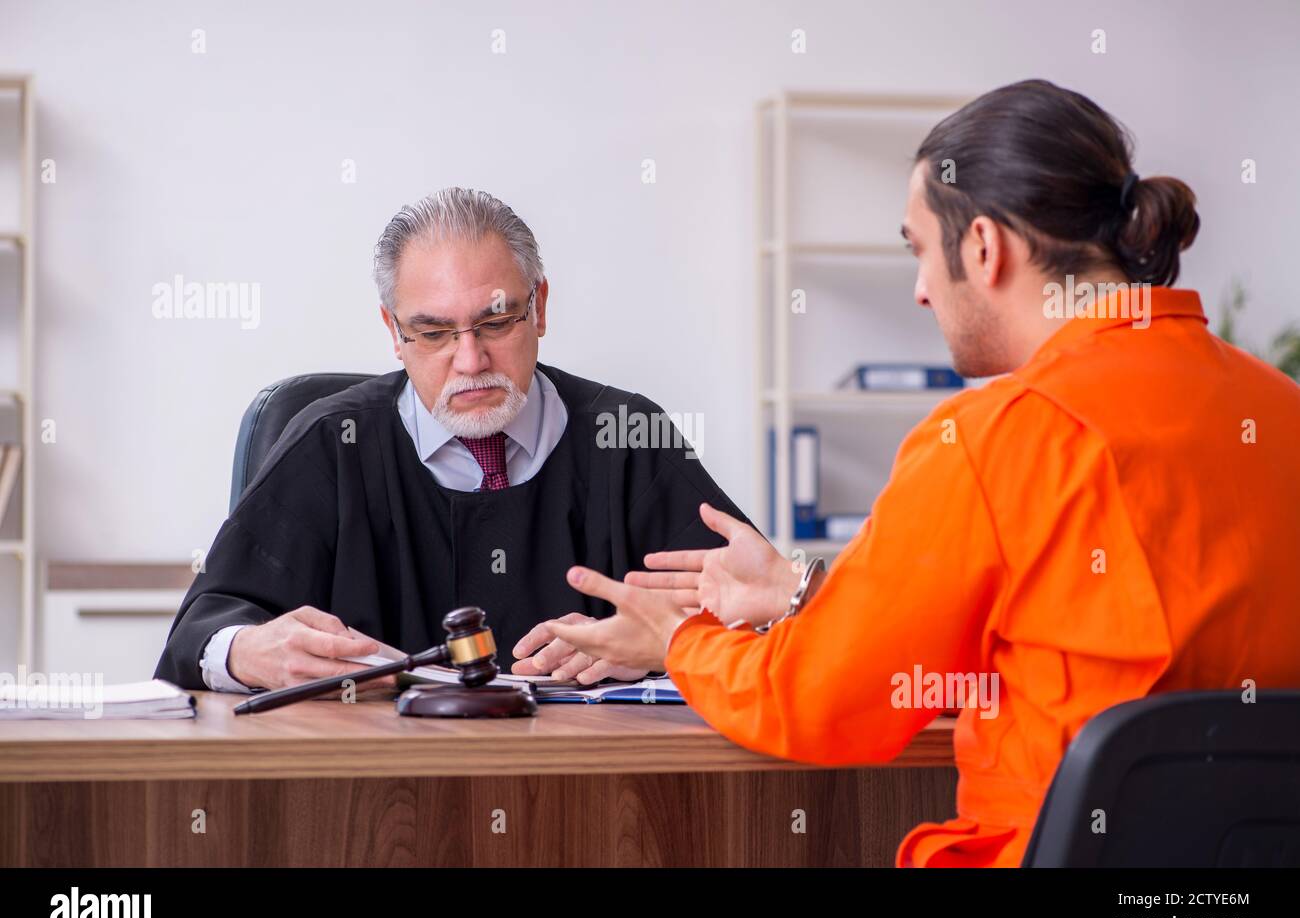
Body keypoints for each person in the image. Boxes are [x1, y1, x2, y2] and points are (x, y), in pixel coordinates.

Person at [538, 79, 1300, 867]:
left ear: (982, 246)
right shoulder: (1281, 410)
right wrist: (808, 591)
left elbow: (821, 703)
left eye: (918, 249)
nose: (920, 289)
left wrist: (680, 638)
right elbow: (1076, 632)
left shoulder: (996, 435)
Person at [154, 187, 747, 693]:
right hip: (374, 798)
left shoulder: (628, 438)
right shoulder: (332, 442)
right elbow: (200, 633)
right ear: (393, 330)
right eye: (433, 331)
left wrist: (668, 643)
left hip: (593, 792)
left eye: (494, 322)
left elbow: (761, 621)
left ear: (539, 307)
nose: (470, 360)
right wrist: (248, 651)